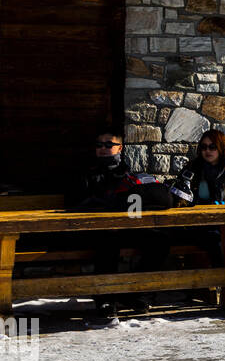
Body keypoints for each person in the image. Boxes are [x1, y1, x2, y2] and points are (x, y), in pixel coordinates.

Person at [65, 127, 170, 314]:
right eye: (99, 145)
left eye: (108, 144)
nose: (103, 148)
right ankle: (105, 300)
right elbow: (76, 204)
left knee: (159, 241)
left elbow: (138, 206)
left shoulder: (129, 175)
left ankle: (139, 294)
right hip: (96, 230)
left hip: (127, 227)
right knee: (107, 242)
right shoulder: (87, 175)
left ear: (120, 148)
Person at [169, 129, 225, 266]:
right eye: (203, 147)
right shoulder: (193, 168)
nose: (207, 151)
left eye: (212, 147)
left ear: (221, 148)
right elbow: (180, 198)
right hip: (196, 224)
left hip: (224, 222)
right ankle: (222, 277)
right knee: (213, 238)